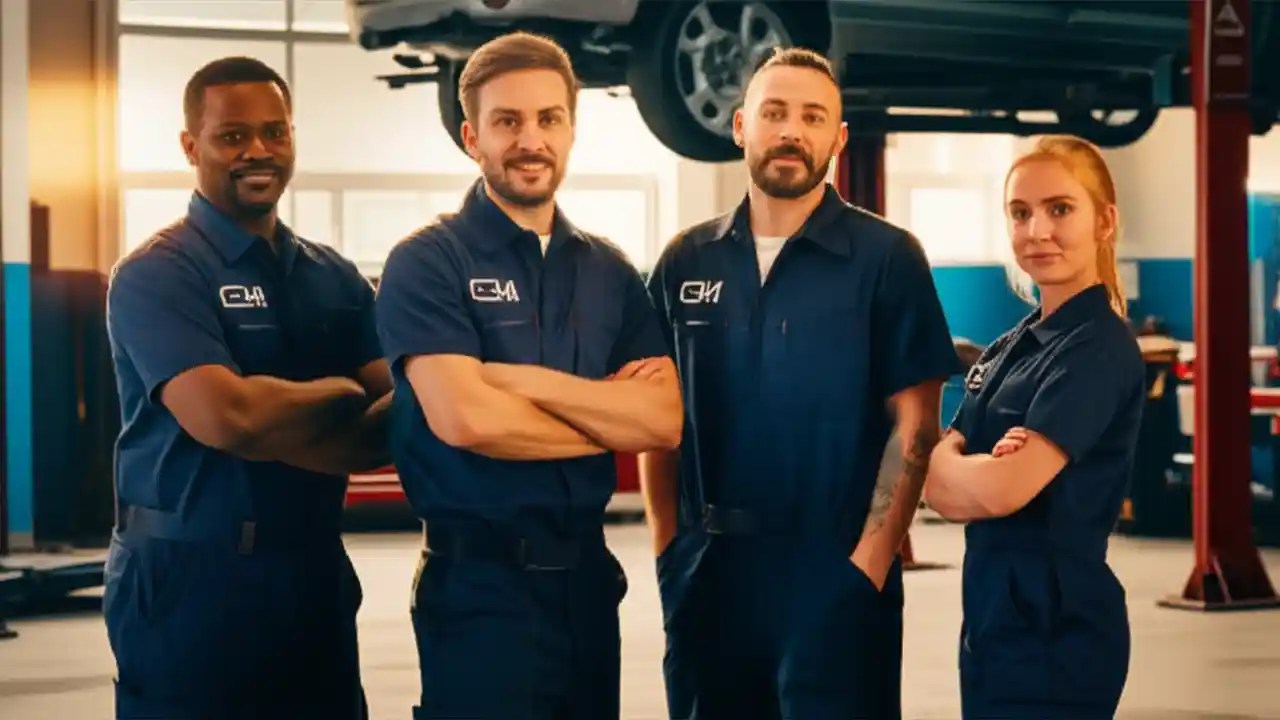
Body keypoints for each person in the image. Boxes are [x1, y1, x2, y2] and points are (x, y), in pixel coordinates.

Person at [642, 47, 961, 720]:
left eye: (813, 117)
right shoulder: (684, 260)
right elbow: (655, 420)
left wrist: (868, 566)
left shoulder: (886, 258)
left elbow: (916, 427)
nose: (792, 131)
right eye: (774, 112)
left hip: (835, 569)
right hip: (709, 571)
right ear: (739, 126)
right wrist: (670, 552)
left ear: (837, 139)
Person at [373, 31, 683, 720]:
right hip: (477, 589)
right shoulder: (427, 263)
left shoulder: (610, 272)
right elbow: (466, 419)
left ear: (571, 129)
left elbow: (661, 422)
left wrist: (519, 381)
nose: (529, 139)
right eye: (506, 121)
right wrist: (606, 418)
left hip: (587, 585)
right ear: (470, 136)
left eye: (548, 119)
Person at [103, 56, 389, 719]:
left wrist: (280, 418)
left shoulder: (334, 277)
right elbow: (225, 418)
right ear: (190, 146)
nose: (257, 151)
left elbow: (396, 418)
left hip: (311, 570)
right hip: (188, 580)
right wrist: (342, 394)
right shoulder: (158, 274)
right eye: (232, 135)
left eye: (274, 132)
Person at [923, 135, 1144, 720]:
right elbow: (938, 484)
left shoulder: (1097, 348)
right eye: (1020, 213)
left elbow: (1000, 490)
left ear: (1104, 221)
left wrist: (971, 467)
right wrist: (972, 466)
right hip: (994, 620)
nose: (1037, 230)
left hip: (1059, 628)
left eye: (1060, 209)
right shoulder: (1009, 347)